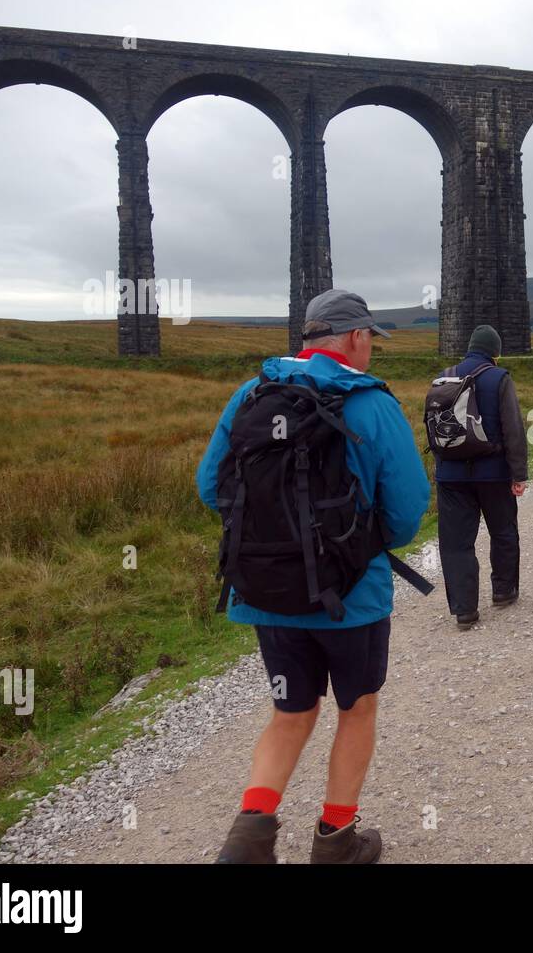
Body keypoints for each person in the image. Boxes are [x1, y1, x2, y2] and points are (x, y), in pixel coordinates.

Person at [196, 288, 430, 864]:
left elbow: (211, 487)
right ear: (353, 338)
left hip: (267, 596)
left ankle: (247, 841)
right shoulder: (371, 403)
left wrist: (278, 539)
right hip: (352, 599)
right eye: (370, 337)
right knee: (357, 708)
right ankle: (335, 840)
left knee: (291, 711)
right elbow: (405, 514)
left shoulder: (252, 393)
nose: (371, 347)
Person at [436, 325, 528, 631]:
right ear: (495, 352)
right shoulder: (499, 378)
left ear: (469, 347)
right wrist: (518, 474)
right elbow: (513, 429)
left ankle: (464, 610)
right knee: (503, 531)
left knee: (456, 543)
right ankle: (503, 591)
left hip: (451, 476)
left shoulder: (444, 375)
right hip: (493, 474)